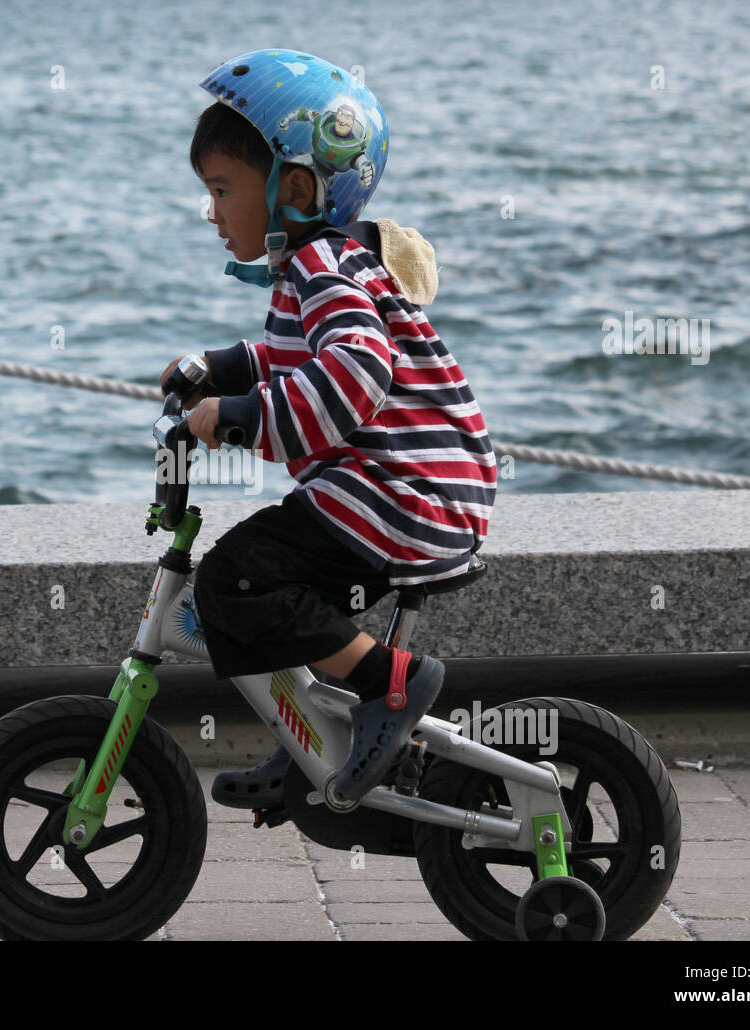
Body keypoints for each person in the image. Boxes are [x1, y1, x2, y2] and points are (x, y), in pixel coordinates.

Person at [161, 49, 497, 806]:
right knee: (241, 585)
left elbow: (357, 370)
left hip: (403, 494)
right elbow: (294, 353)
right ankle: (311, 734)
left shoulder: (323, 268)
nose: (210, 210)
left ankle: (394, 683)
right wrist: (223, 367)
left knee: (236, 579)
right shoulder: (320, 266)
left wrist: (249, 419)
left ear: (298, 189)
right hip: (405, 488)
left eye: (222, 189)